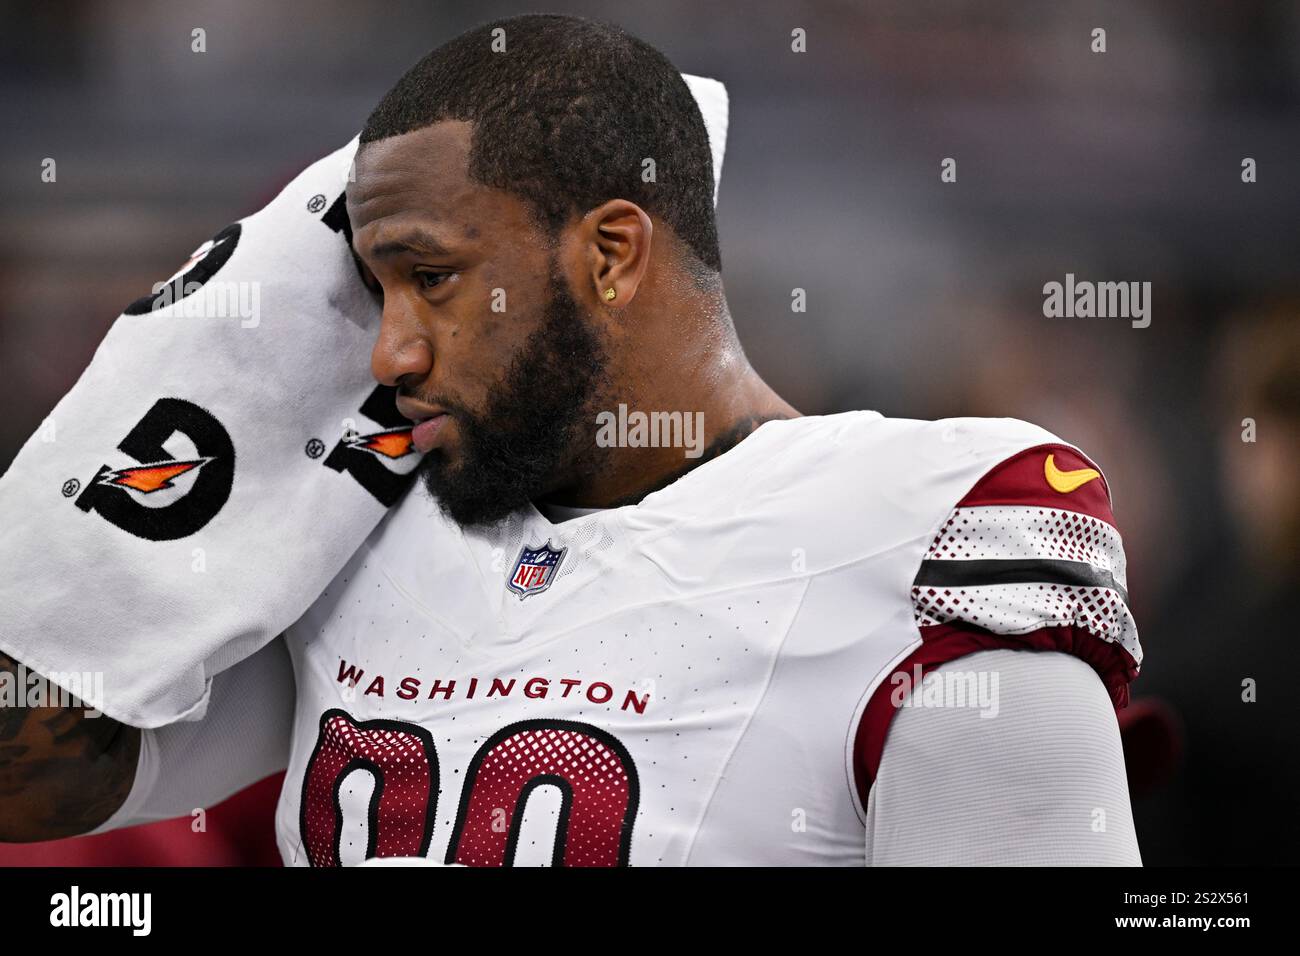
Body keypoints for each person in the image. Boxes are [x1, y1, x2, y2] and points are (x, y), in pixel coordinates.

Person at [0, 14, 1141, 866]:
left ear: (609, 253)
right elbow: (33, 772)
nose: (388, 353)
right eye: (369, 289)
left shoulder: (922, 536)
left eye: (432, 278)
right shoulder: (364, 533)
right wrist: (206, 345)